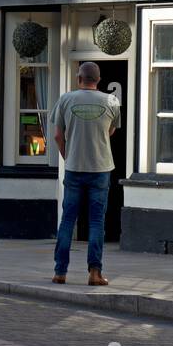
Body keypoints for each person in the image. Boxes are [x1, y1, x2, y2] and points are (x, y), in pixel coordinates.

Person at [49, 61, 121, 286]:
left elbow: (57, 136)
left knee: (68, 220)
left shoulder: (65, 99)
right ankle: (95, 273)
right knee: (97, 222)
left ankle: (60, 271)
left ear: (79, 78)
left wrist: (67, 156)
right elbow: (110, 131)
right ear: (99, 80)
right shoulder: (111, 101)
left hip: (74, 168)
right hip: (100, 169)